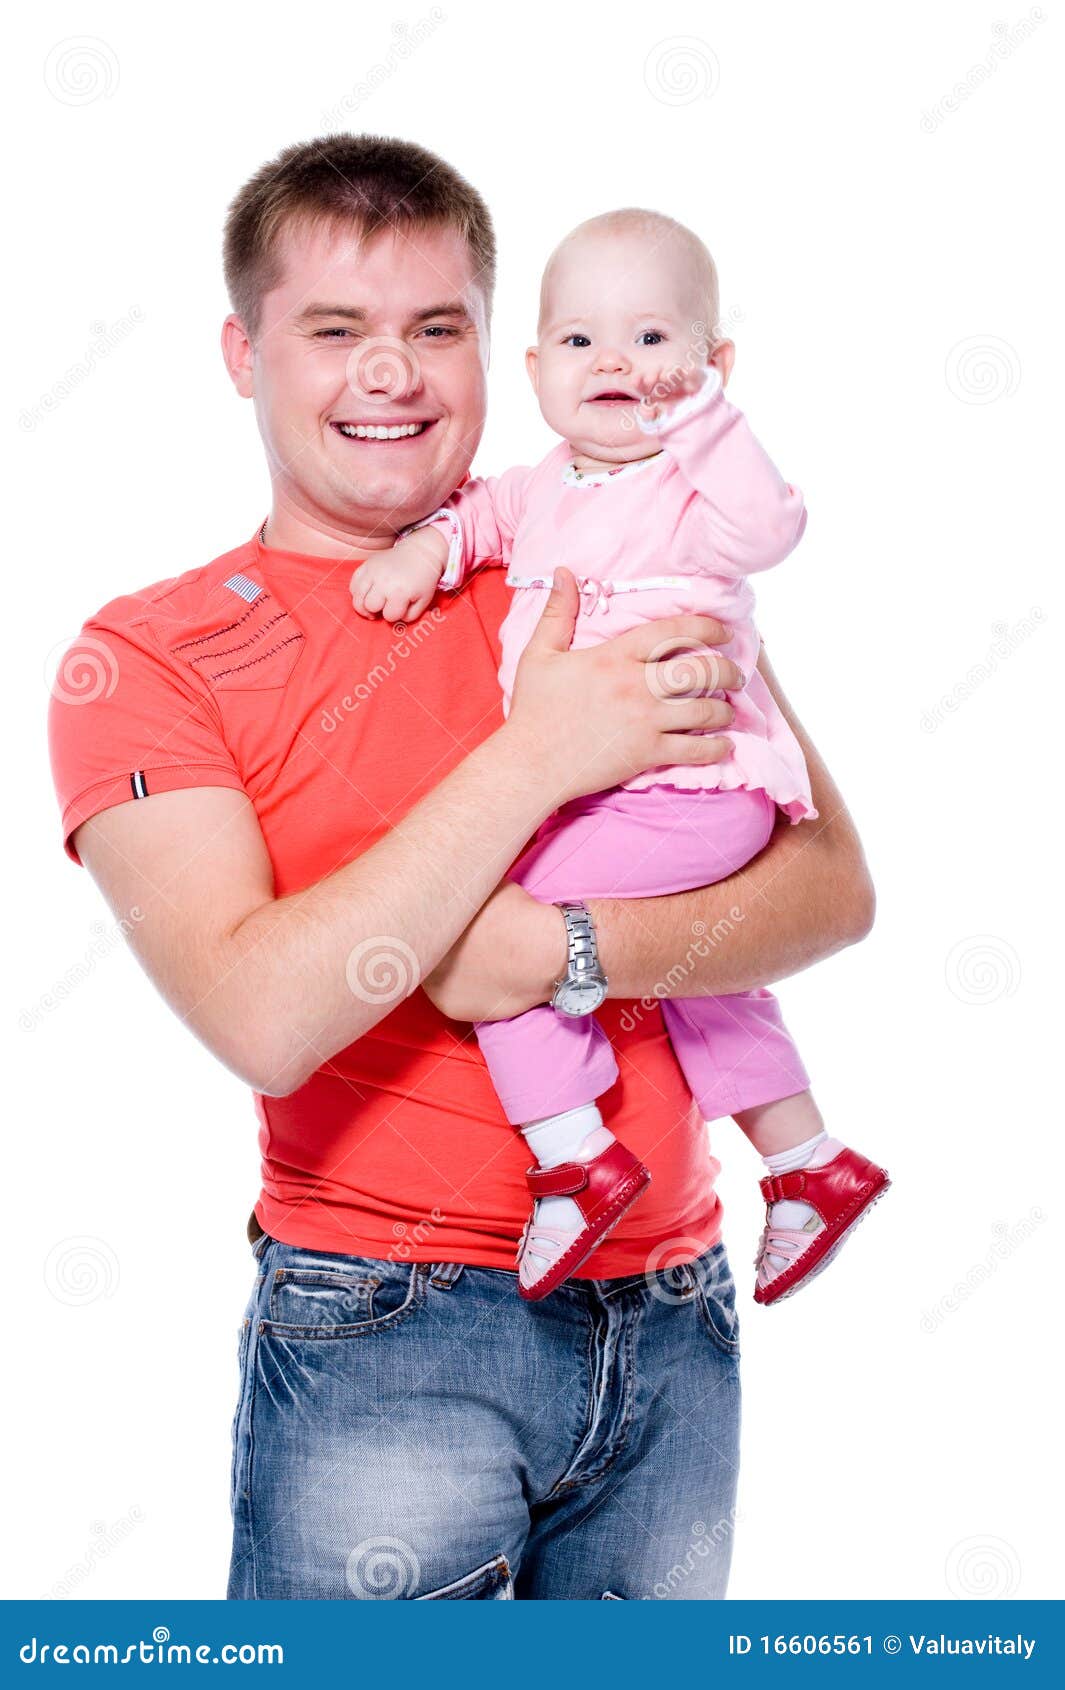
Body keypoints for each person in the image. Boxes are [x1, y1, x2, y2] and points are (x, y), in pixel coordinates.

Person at [47, 134, 875, 1601]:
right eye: (336, 330)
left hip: (673, 1313)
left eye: (437, 329)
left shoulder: (611, 536)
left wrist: (557, 955)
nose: (395, 374)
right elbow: (263, 1012)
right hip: (387, 1330)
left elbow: (826, 886)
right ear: (243, 354)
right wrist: (539, 752)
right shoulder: (149, 656)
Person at [355, 207, 889, 1302]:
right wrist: (424, 550)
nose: (618, 364)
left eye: (653, 341)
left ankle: (573, 1156)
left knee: (503, 932)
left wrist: (704, 425)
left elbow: (773, 528)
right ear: (539, 365)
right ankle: (807, 1160)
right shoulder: (543, 482)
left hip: (690, 785)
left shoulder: (694, 488)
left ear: (711, 368)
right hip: (627, 798)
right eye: (585, 341)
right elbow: (478, 522)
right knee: (698, 974)